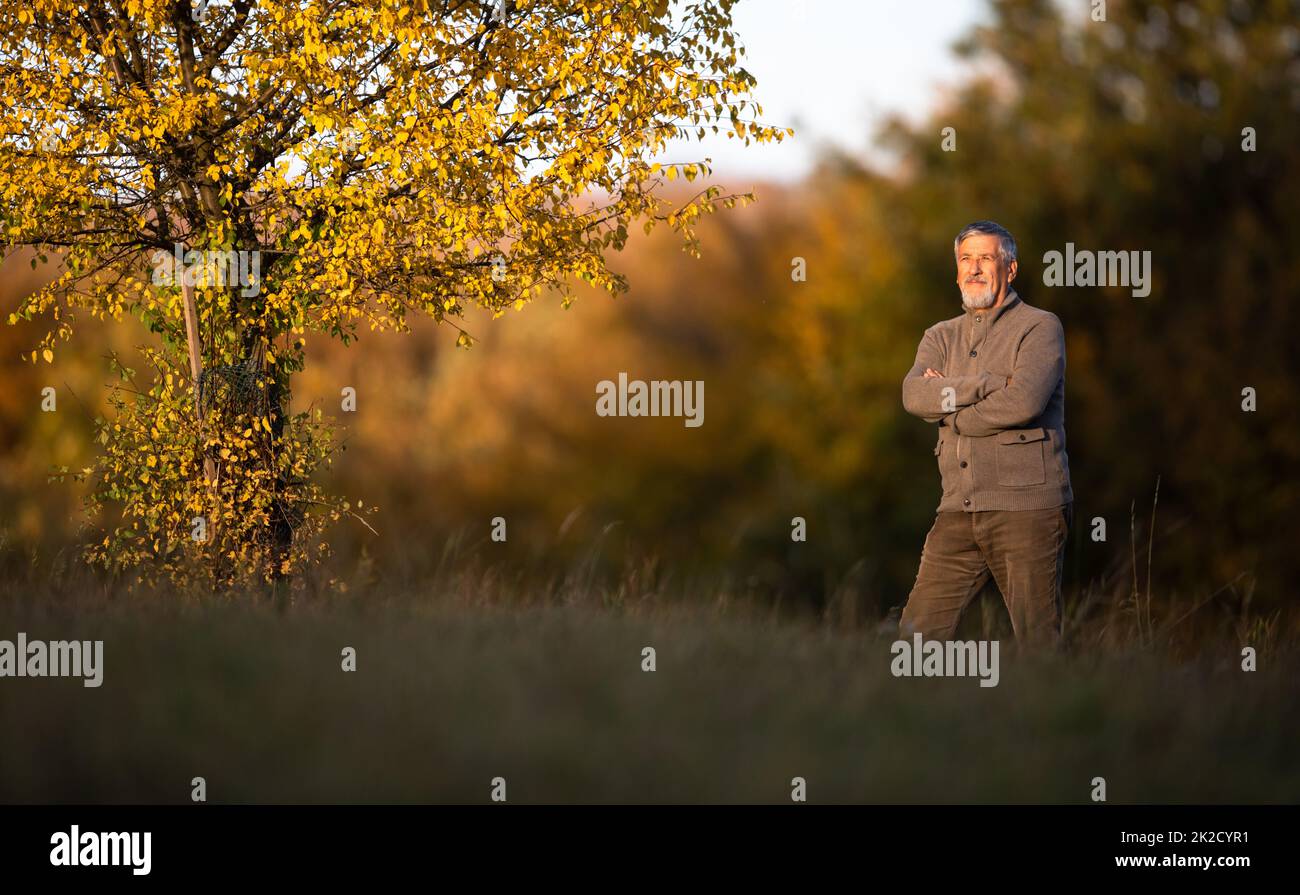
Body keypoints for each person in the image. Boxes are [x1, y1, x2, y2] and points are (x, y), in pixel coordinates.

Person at [899, 221, 1074, 646]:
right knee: (915, 640)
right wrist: (985, 384)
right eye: (965, 259)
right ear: (956, 270)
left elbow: (1023, 402)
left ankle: (1056, 713)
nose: (974, 268)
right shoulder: (939, 336)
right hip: (957, 508)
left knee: (1038, 644)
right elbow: (914, 395)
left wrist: (953, 411)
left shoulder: (1040, 326)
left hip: (1027, 510)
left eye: (986, 258)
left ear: (1010, 269)